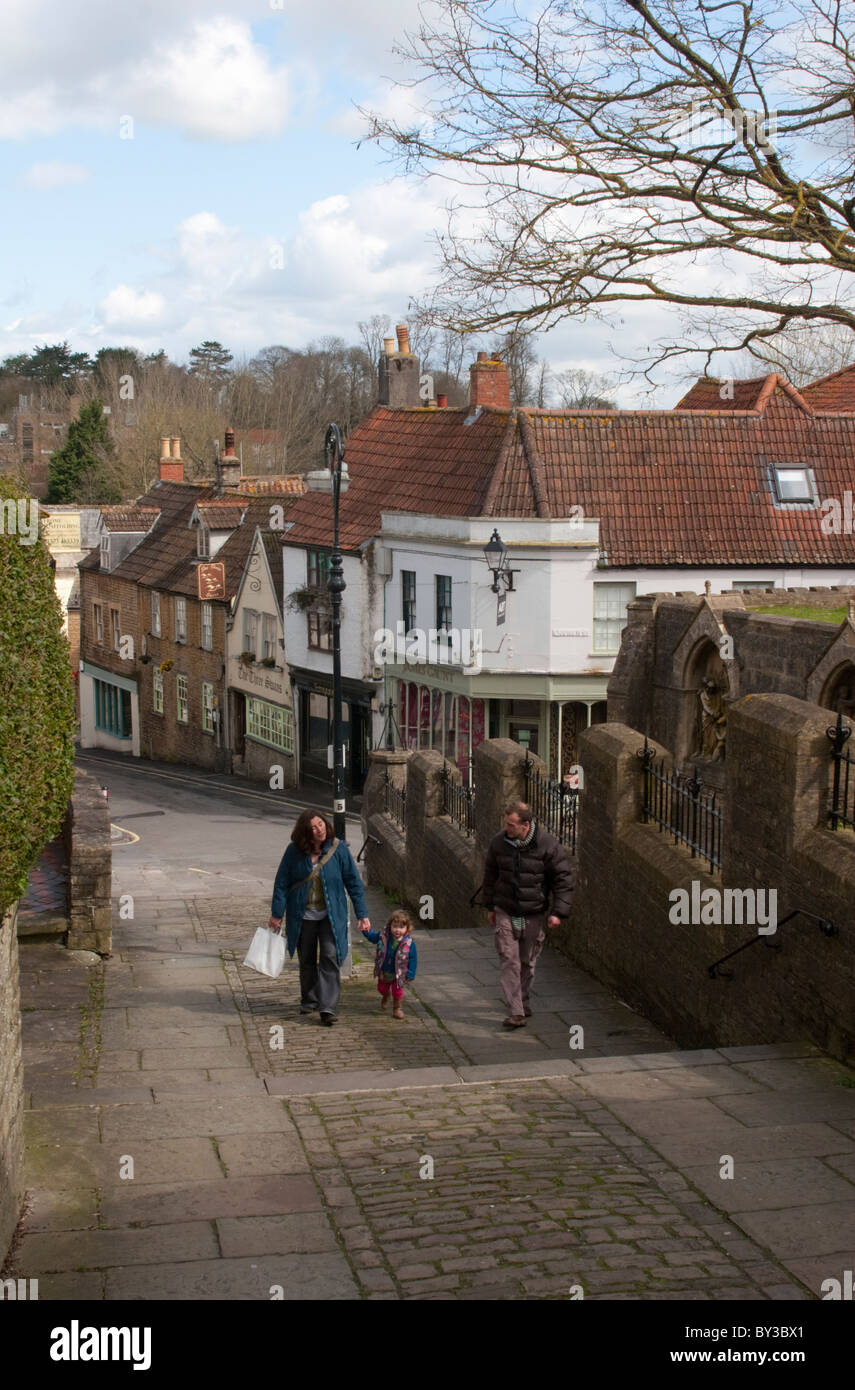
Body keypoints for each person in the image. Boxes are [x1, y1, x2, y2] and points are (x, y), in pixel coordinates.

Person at [269, 809, 370, 1027]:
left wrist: (362, 914)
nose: (320, 829)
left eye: (321, 824)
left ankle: (328, 1007)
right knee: (306, 958)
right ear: (306, 832)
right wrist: (277, 914)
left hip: (330, 916)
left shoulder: (338, 849)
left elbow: (353, 882)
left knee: (329, 956)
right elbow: (282, 883)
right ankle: (310, 999)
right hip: (302, 915)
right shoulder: (293, 852)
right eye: (314, 827)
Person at [483, 801, 574, 1029]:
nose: (507, 829)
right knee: (509, 959)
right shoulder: (498, 843)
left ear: (526, 825)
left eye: (512, 825)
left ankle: (522, 999)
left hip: (532, 913)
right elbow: (490, 876)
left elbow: (563, 880)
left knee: (527, 961)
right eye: (506, 824)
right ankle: (516, 1011)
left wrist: (558, 913)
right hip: (506, 910)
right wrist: (490, 907)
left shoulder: (548, 845)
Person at [359, 910, 418, 1020]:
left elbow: (413, 959)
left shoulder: (409, 943)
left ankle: (397, 1008)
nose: (397, 930)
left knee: (398, 991)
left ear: (407, 929)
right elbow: (372, 937)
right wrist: (365, 930)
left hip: (399, 973)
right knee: (382, 988)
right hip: (384, 970)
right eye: (395, 926)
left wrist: (411, 972)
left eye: (401, 927)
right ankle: (386, 996)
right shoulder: (383, 936)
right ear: (390, 926)